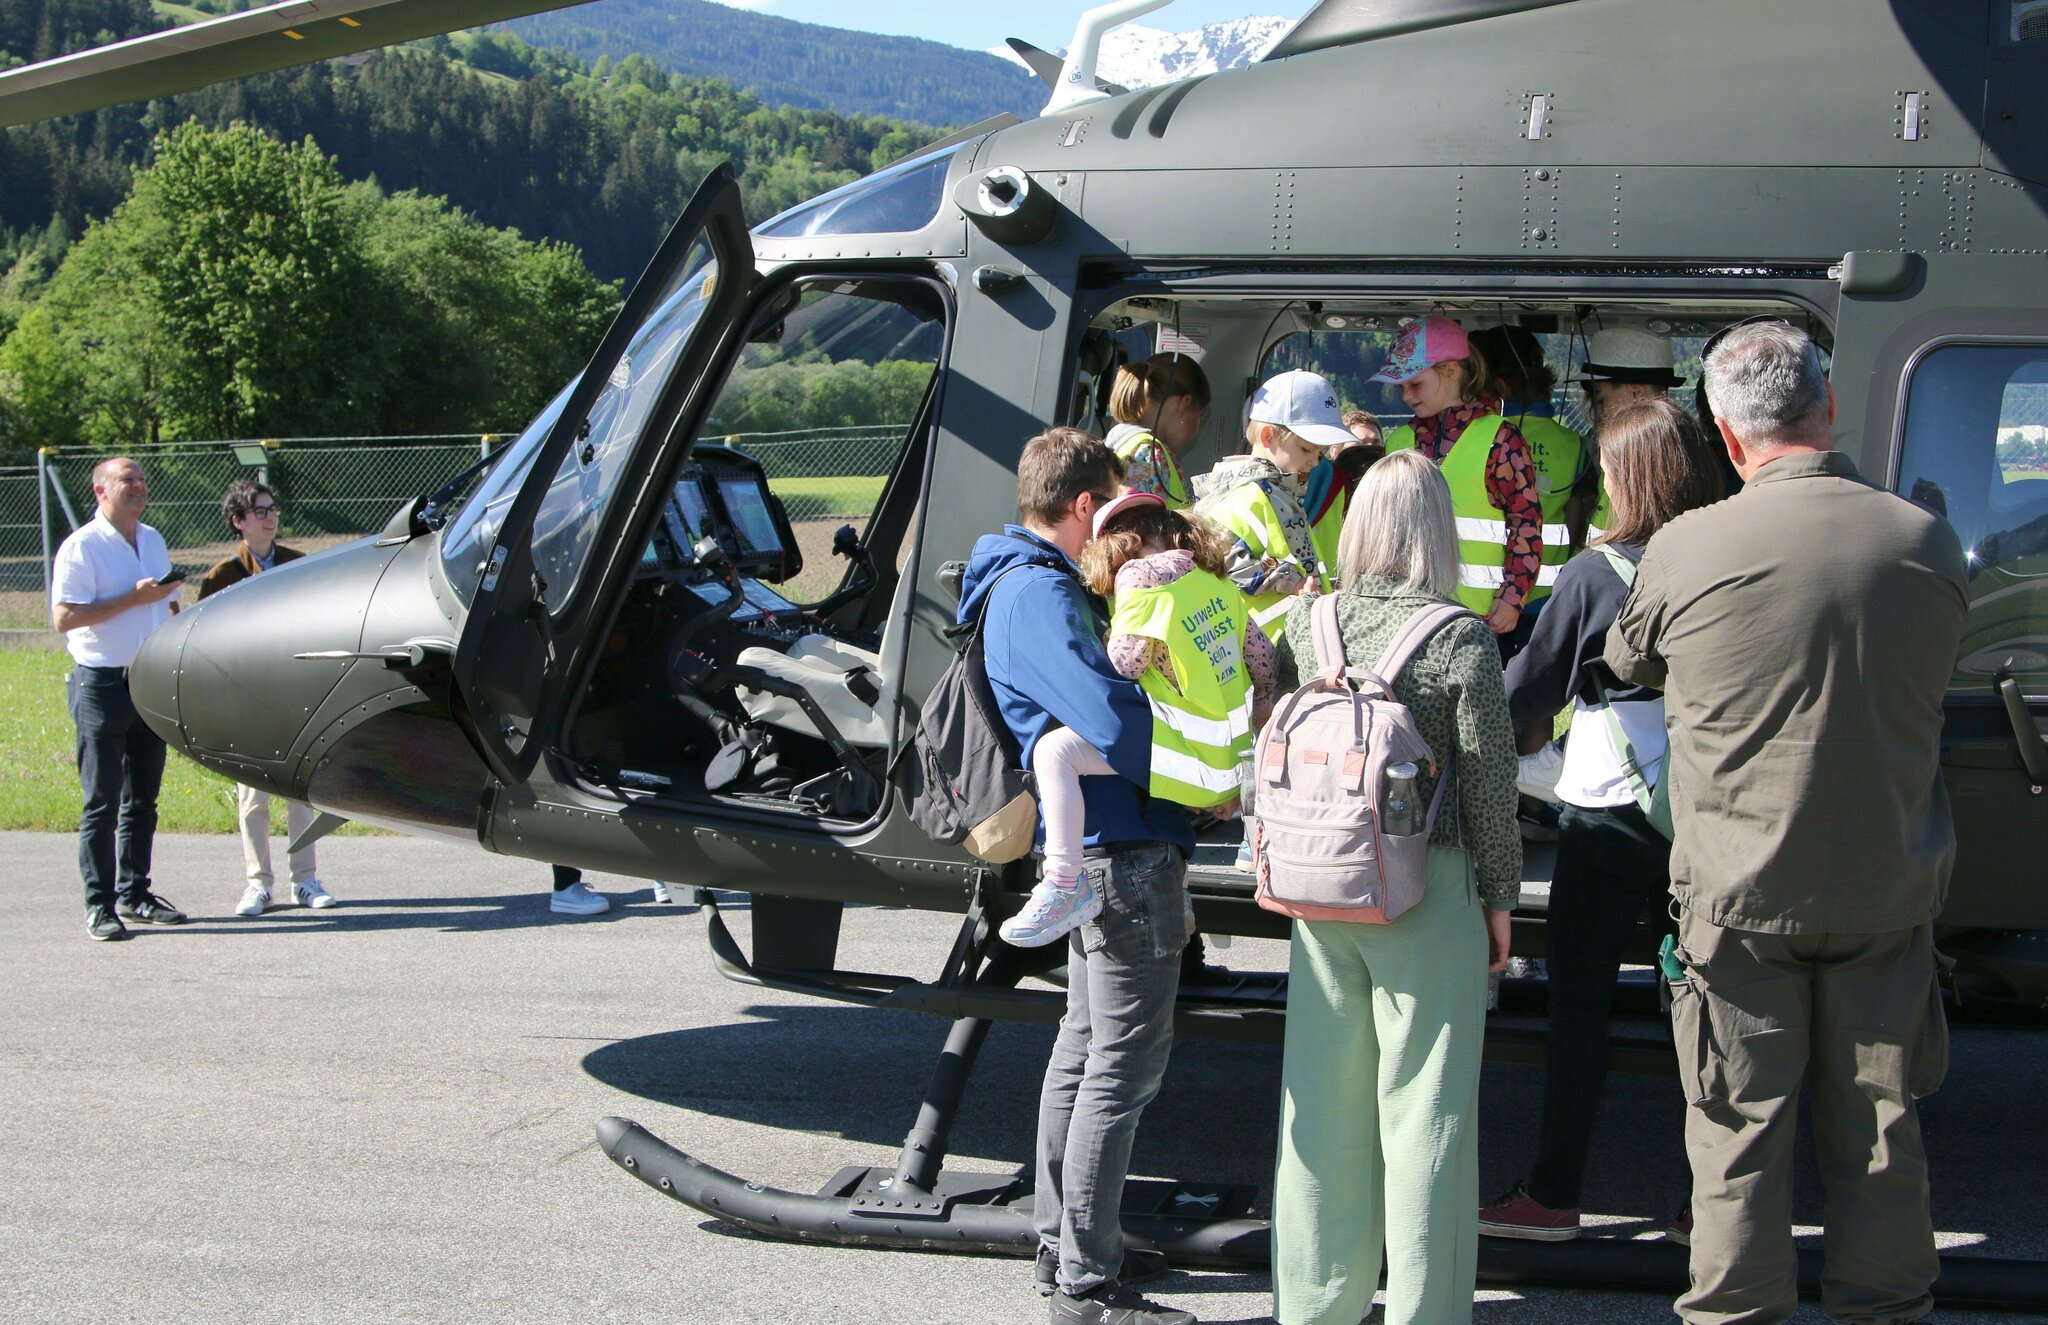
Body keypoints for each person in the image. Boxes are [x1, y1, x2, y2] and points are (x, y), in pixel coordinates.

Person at [1603, 322, 1967, 1325]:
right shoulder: (1924, 540)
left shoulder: (1686, 546)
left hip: (1736, 899)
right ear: (1829, 406)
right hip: (1884, 890)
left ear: (1725, 435)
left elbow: (1626, 659)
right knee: (1881, 1137)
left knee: (1735, 1141)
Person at [1269, 449, 1520, 1325]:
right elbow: (1488, 782)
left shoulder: (1309, 623)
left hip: (1321, 886)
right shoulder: (1459, 637)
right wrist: (1500, 898)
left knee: (1321, 1116)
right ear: (1437, 531)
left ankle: (1313, 1307)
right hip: (1426, 884)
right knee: (1427, 1119)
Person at [957, 427, 1196, 1325]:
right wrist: (1206, 768)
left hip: (1098, 848)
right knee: (1120, 1068)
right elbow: (1114, 719)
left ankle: (1067, 1249)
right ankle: (1088, 1284)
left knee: (1086, 1049)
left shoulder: (1018, 584)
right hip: (1124, 849)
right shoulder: (1042, 592)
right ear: (1087, 504)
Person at [1479, 398, 1724, 1243]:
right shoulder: (1725, 559)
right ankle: (1708, 1203)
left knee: (1579, 1005)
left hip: (1610, 811)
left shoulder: (1596, 574)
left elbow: (1528, 692)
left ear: (1632, 478)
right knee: (1702, 1006)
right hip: (1705, 810)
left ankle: (1553, 1193)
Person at [1000, 492, 1275, 949]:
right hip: (1231, 767)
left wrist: (1112, 632)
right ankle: (1179, 895)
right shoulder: (1216, 583)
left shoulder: (1138, 580)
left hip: (1187, 758)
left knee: (1055, 752)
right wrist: (1260, 704)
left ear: (1114, 546)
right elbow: (1262, 658)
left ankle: (1064, 883)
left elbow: (1126, 664)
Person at [51, 456, 186, 941]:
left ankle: (135, 892)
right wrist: (133, 598)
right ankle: (99, 905)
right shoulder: (82, 547)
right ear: (100, 490)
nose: (139, 486)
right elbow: (64, 619)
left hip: (148, 681)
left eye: (143, 479)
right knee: (102, 801)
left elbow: (167, 603)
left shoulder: (152, 540)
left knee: (143, 800)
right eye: (128, 479)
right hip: (102, 685)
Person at [198, 479, 338, 916]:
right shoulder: (221, 576)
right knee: (253, 798)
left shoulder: (299, 565)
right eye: (260, 511)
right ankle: (258, 884)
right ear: (238, 521)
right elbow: (204, 641)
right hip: (244, 702)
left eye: (273, 508)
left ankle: (305, 880)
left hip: (293, 697)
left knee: (300, 792)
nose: (271, 517)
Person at [1374, 316, 1545, 659]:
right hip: (1405, 619)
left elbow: (1526, 521)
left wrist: (1513, 597)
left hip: (1477, 623)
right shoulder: (1398, 442)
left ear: (1452, 371)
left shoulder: (1501, 438)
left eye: (1415, 383)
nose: (1406, 395)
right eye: (1400, 386)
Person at [1193, 369, 1351, 635]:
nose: (1314, 462)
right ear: (1268, 436)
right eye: (1307, 449)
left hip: (1285, 633)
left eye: (1320, 453)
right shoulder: (1244, 495)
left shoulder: (1277, 491)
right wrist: (1293, 581)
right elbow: (1223, 557)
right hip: (1265, 639)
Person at [1569, 326, 1687, 541]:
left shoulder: (1643, 461)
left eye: (1601, 401)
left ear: (1636, 392)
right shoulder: (1677, 450)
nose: (1599, 414)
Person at [1104, 354, 1211, 510]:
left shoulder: (1126, 443)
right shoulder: (1148, 456)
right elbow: (1140, 524)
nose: (1196, 429)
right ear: (1184, 404)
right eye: (1197, 417)